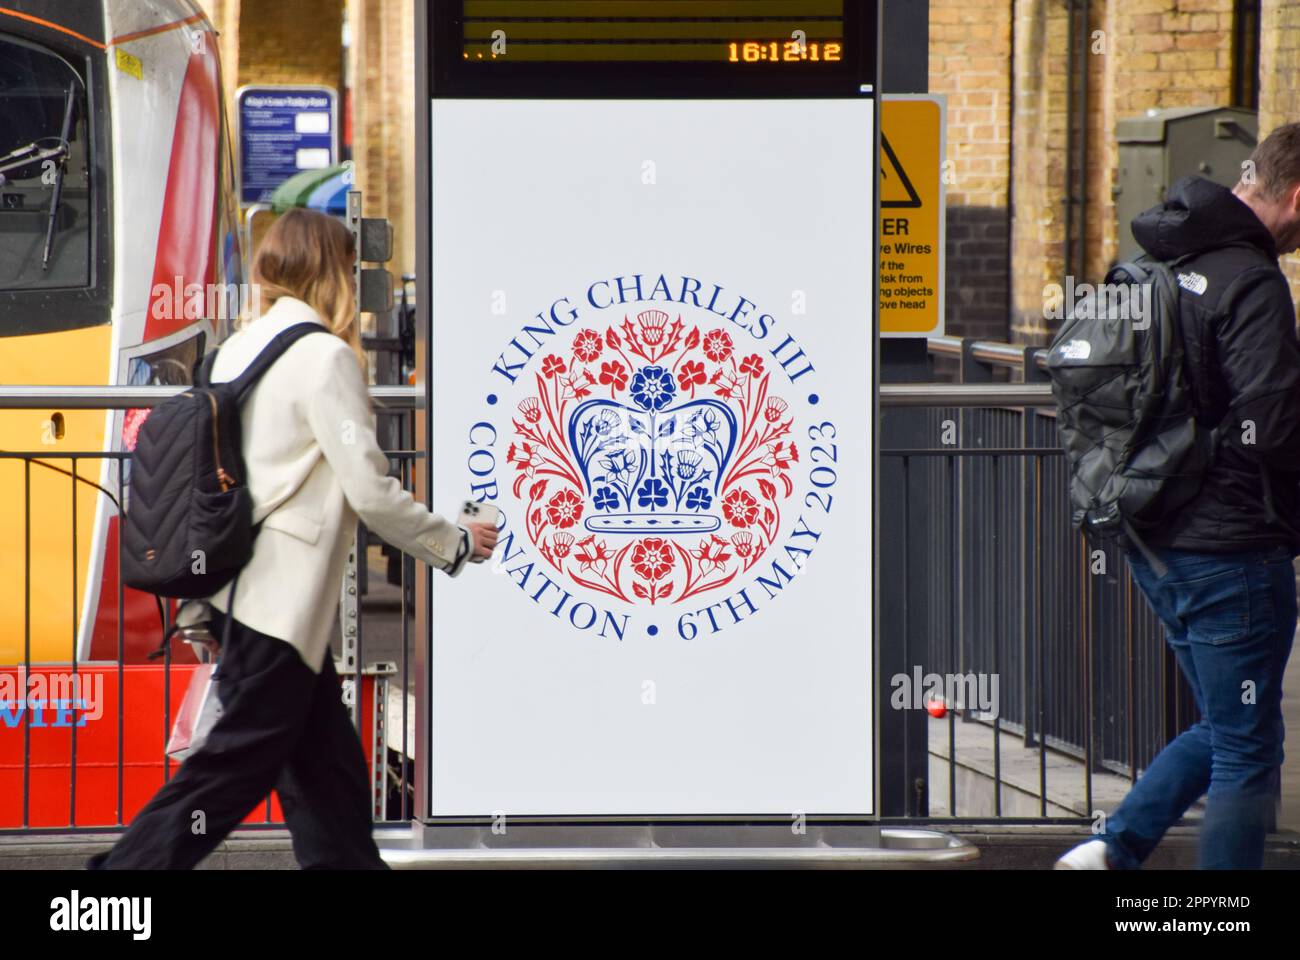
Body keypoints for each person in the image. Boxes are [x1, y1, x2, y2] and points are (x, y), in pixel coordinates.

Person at [88, 209, 499, 870]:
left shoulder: (239, 347)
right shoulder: (323, 357)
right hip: (277, 607)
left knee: (327, 782)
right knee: (227, 773)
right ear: (331, 271)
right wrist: (452, 541)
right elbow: (369, 492)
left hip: (238, 591)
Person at [1056, 123, 1300, 870]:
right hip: (1230, 550)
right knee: (1248, 751)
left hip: (1153, 534)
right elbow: (1271, 425)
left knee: (1228, 725)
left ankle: (1112, 849)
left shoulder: (1158, 258)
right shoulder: (1251, 280)